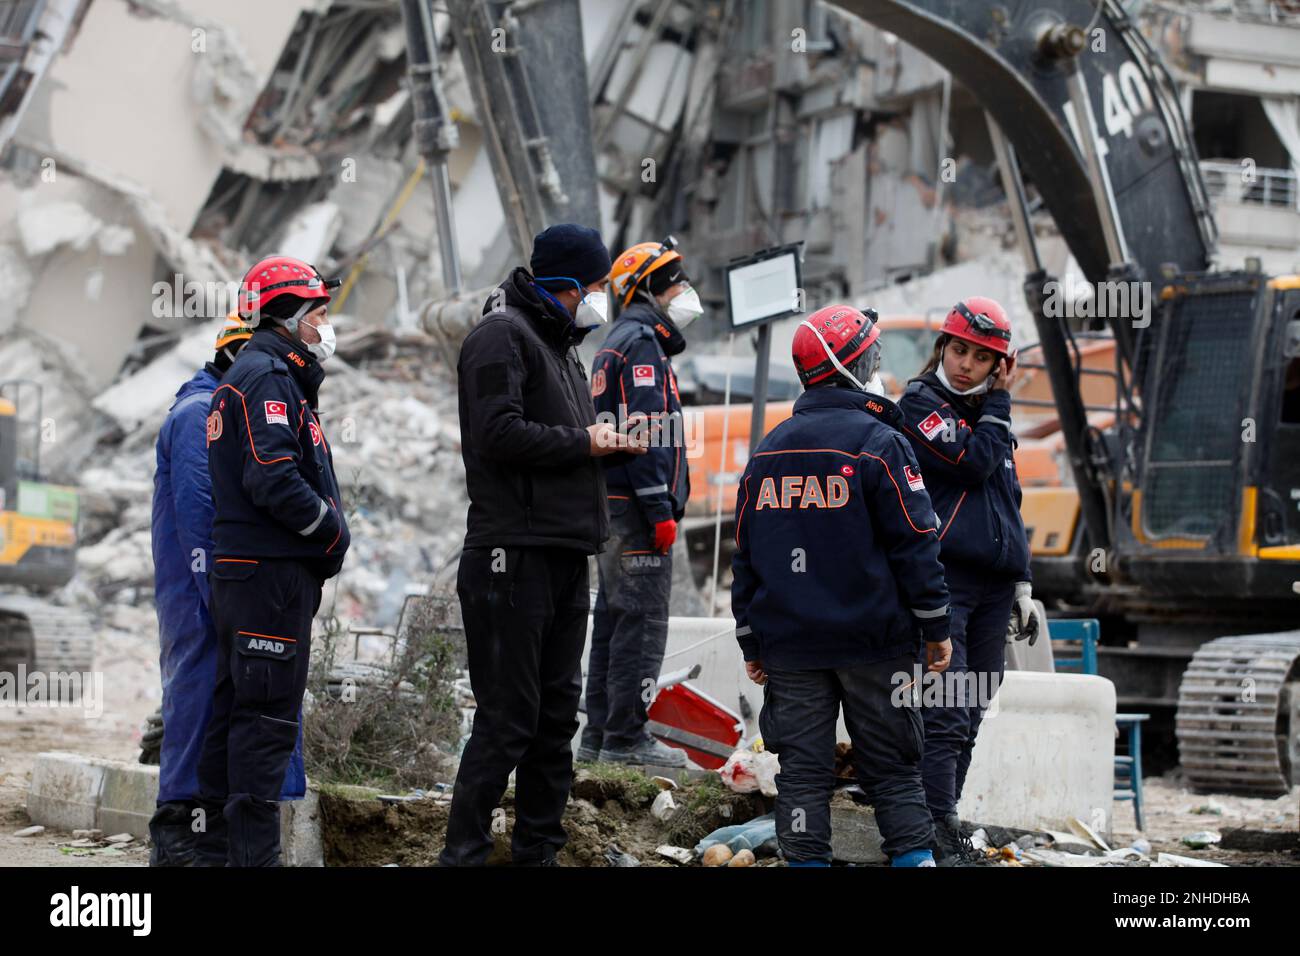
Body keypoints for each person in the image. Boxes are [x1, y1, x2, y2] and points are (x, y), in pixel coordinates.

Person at [439, 223, 646, 867]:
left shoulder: (559, 345)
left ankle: (538, 853)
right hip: (510, 556)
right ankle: (463, 856)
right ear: (565, 284)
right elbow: (497, 433)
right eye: (595, 286)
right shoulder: (501, 336)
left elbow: (552, 439)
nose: (600, 298)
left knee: (556, 719)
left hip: (562, 552)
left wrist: (602, 443)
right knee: (508, 719)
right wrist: (588, 442)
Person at [732, 303, 953, 868]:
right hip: (874, 643)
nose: (877, 366)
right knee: (894, 769)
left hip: (791, 648)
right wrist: (936, 626)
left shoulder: (768, 451)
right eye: (872, 357)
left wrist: (751, 640)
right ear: (855, 366)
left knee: (802, 774)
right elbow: (916, 543)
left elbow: (746, 557)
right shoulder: (881, 443)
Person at [195, 256, 350, 867]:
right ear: (289, 315)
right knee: (263, 725)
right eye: (319, 313)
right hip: (267, 577)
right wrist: (330, 533)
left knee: (238, 715)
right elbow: (274, 479)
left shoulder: (272, 375)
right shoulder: (266, 377)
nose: (326, 325)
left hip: (257, 576)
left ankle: (213, 855)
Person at [148, 313, 307, 865]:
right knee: (201, 707)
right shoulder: (201, 414)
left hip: (225, 596)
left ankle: (209, 838)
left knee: (226, 714)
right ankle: (183, 837)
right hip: (206, 602)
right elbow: (201, 522)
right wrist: (225, 602)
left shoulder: (226, 407)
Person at [896, 296, 1037, 865]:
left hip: (994, 587)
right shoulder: (921, 403)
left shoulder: (990, 418)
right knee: (947, 708)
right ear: (942, 348)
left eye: (981, 358)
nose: (966, 365)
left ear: (998, 364)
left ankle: (945, 818)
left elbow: (1009, 500)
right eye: (959, 351)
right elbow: (973, 464)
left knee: (974, 707)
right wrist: (1000, 400)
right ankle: (932, 829)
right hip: (946, 580)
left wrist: (1023, 583)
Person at [578, 237, 700, 768]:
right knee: (643, 625)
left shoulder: (615, 343)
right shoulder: (642, 343)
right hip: (636, 512)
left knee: (614, 621)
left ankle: (599, 737)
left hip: (615, 508)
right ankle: (627, 740)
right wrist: (659, 510)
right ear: (647, 289)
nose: (685, 292)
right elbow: (644, 432)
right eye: (675, 283)